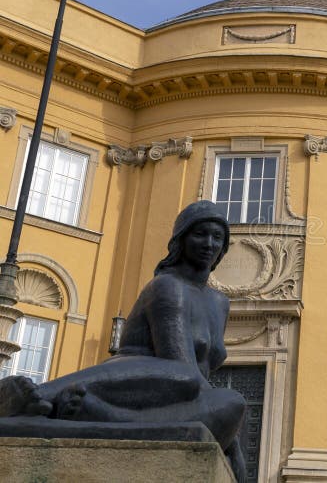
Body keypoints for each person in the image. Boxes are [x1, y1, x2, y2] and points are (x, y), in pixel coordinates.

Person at [0, 200, 246, 482]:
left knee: (231, 402)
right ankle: (42, 394)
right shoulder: (167, 286)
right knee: (198, 383)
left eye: (217, 237)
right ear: (181, 240)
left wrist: (232, 432)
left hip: (175, 403)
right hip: (141, 383)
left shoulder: (219, 302)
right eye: (200, 234)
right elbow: (181, 364)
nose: (209, 244)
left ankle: (101, 414)